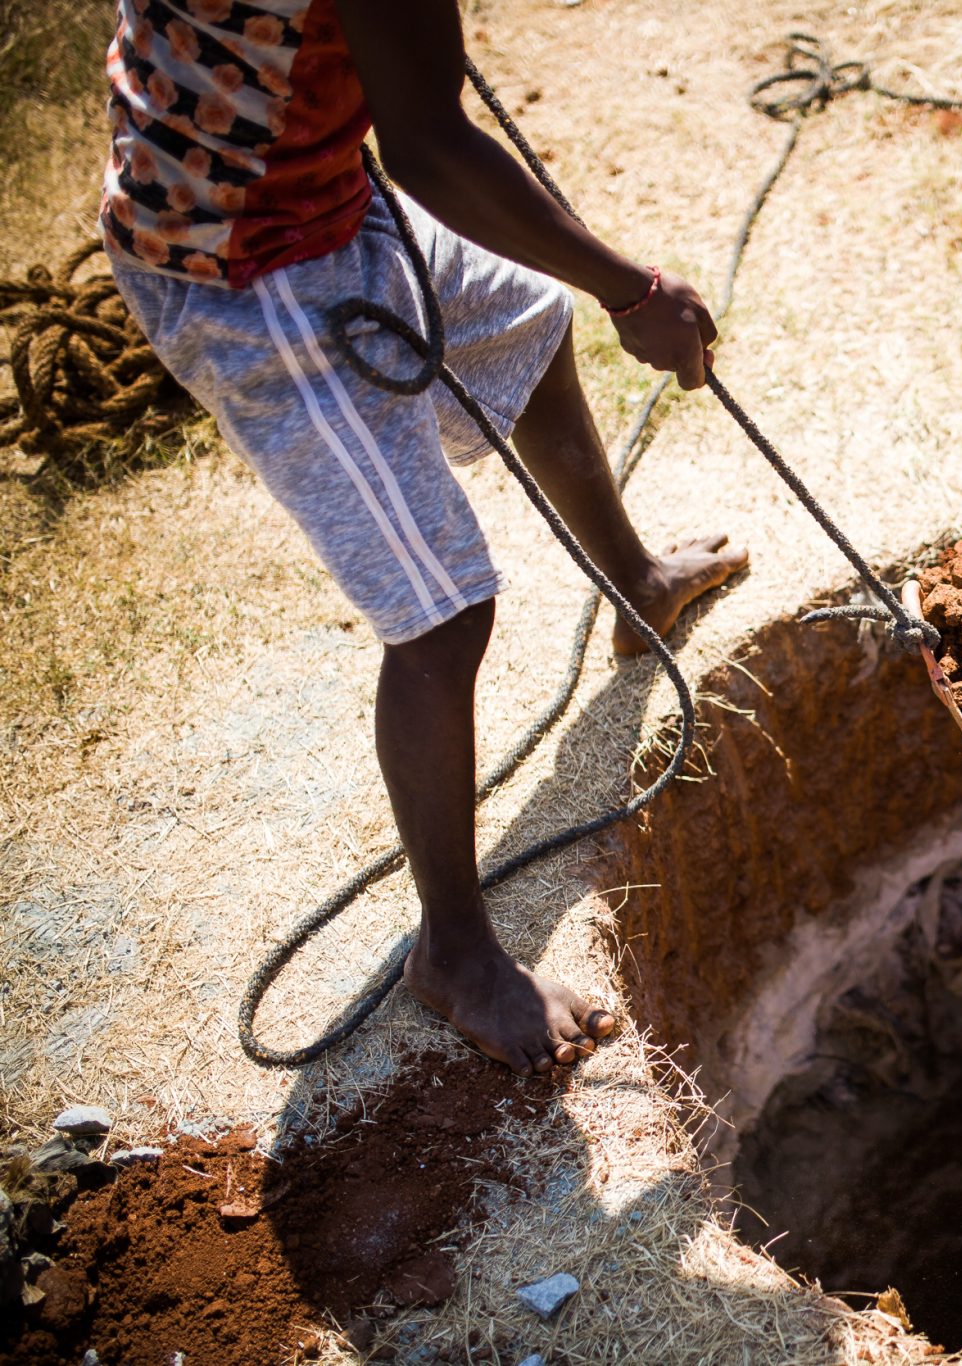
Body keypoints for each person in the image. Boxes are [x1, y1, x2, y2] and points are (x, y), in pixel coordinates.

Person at [100, 0, 750, 1076]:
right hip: (246, 269)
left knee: (529, 325)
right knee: (443, 613)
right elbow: (432, 148)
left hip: (311, 196)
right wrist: (634, 291)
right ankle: (452, 951)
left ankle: (635, 584)